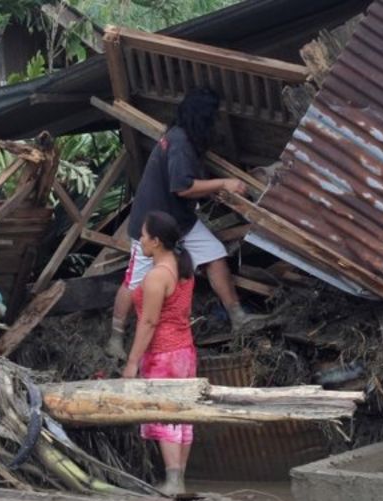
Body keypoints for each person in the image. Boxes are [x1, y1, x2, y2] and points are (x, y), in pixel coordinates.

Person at [105, 87, 268, 360]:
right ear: (203, 117)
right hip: (152, 226)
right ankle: (115, 338)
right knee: (135, 282)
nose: (216, 122)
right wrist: (224, 183)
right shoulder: (180, 142)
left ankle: (237, 316)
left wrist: (214, 189)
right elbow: (182, 187)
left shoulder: (184, 138)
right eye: (213, 116)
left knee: (215, 255)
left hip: (179, 220)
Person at [122, 211, 197, 495]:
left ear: (155, 241)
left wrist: (132, 362)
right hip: (184, 351)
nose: (140, 240)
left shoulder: (157, 276)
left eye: (143, 235)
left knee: (165, 412)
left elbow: (149, 321)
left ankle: (173, 481)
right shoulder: (182, 267)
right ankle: (179, 478)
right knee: (183, 414)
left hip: (163, 354)